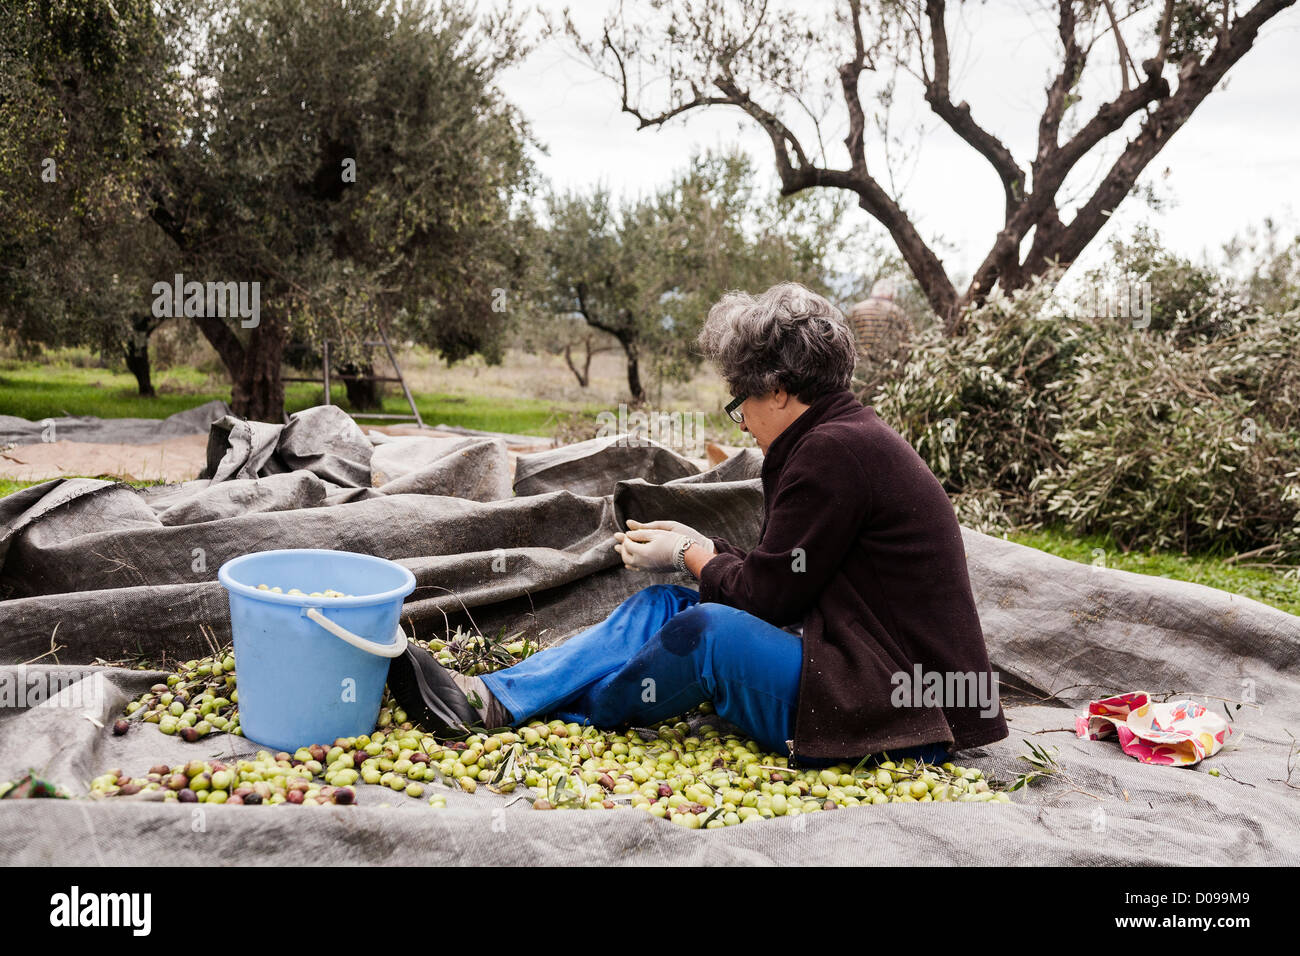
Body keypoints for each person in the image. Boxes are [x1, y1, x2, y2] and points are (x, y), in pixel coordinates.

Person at [388, 282, 1007, 766]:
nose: (743, 425)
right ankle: (496, 696)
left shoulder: (831, 453)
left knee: (704, 631)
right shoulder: (845, 438)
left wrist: (691, 550)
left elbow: (767, 600)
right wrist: (700, 549)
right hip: (870, 670)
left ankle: (553, 707)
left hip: (906, 708)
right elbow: (785, 574)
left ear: (782, 391)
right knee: (666, 604)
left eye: (741, 406)